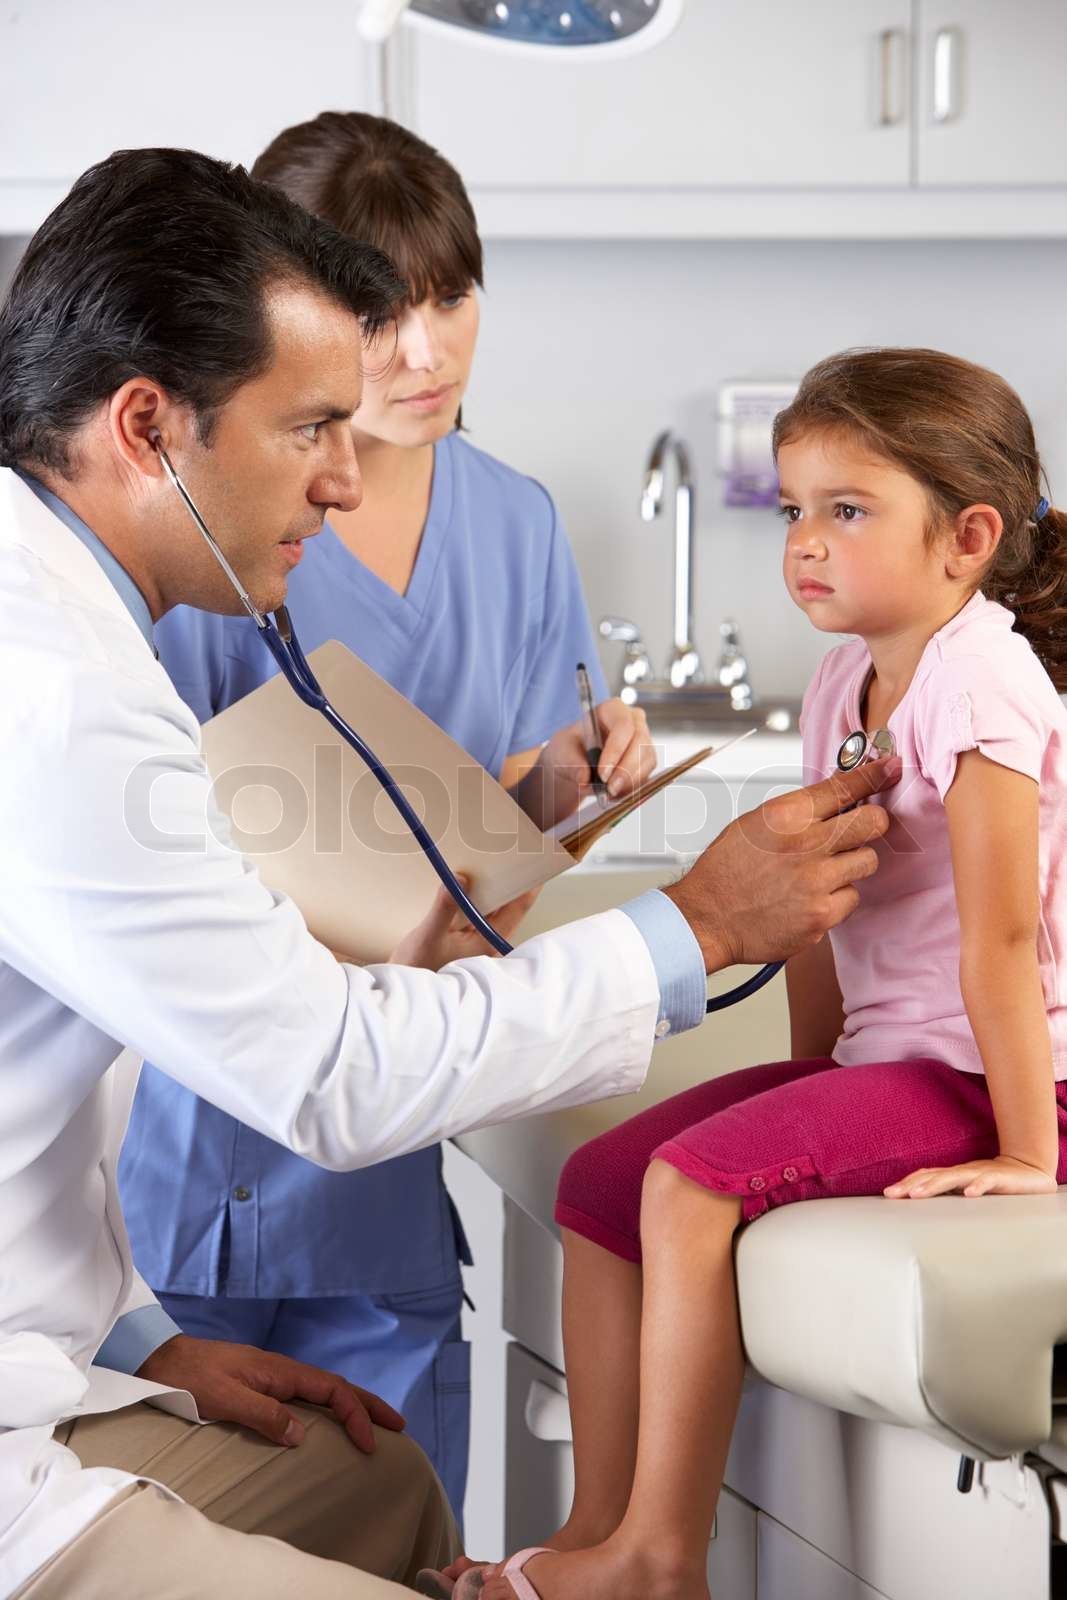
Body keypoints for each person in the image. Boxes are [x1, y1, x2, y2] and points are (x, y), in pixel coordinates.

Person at [0, 150, 892, 1599]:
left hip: (71, 1328)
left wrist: (129, 1342)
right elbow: (327, 1062)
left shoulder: (75, 617)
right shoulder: (53, 695)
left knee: (373, 1481)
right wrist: (692, 929)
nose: (347, 478)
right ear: (149, 427)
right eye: (308, 429)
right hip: (92, 1354)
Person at [433, 347, 1067, 1600]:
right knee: (602, 1182)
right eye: (792, 511)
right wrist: (803, 1077)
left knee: (687, 1184)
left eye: (846, 510)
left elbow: (1002, 940)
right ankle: (594, 1533)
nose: (804, 545)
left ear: (966, 537)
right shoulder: (845, 678)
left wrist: (1029, 1154)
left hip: (990, 1073)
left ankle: (663, 1560)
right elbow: (819, 911)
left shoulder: (983, 678)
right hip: (898, 1063)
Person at [117, 113, 655, 1524]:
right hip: (211, 1136)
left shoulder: (516, 522)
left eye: (450, 296)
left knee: (406, 1525)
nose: (422, 351)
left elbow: (486, 846)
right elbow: (152, 830)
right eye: (379, 309)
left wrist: (574, 783)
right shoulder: (212, 517)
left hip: (399, 1130)